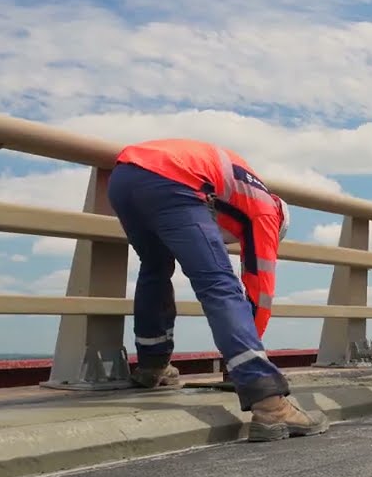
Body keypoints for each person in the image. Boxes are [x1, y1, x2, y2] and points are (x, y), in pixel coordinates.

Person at [106, 138, 330, 442]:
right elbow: (260, 291)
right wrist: (248, 355)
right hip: (174, 179)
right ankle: (270, 405)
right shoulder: (267, 212)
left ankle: (152, 366)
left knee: (155, 267)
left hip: (124, 176)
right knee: (220, 284)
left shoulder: (240, 192)